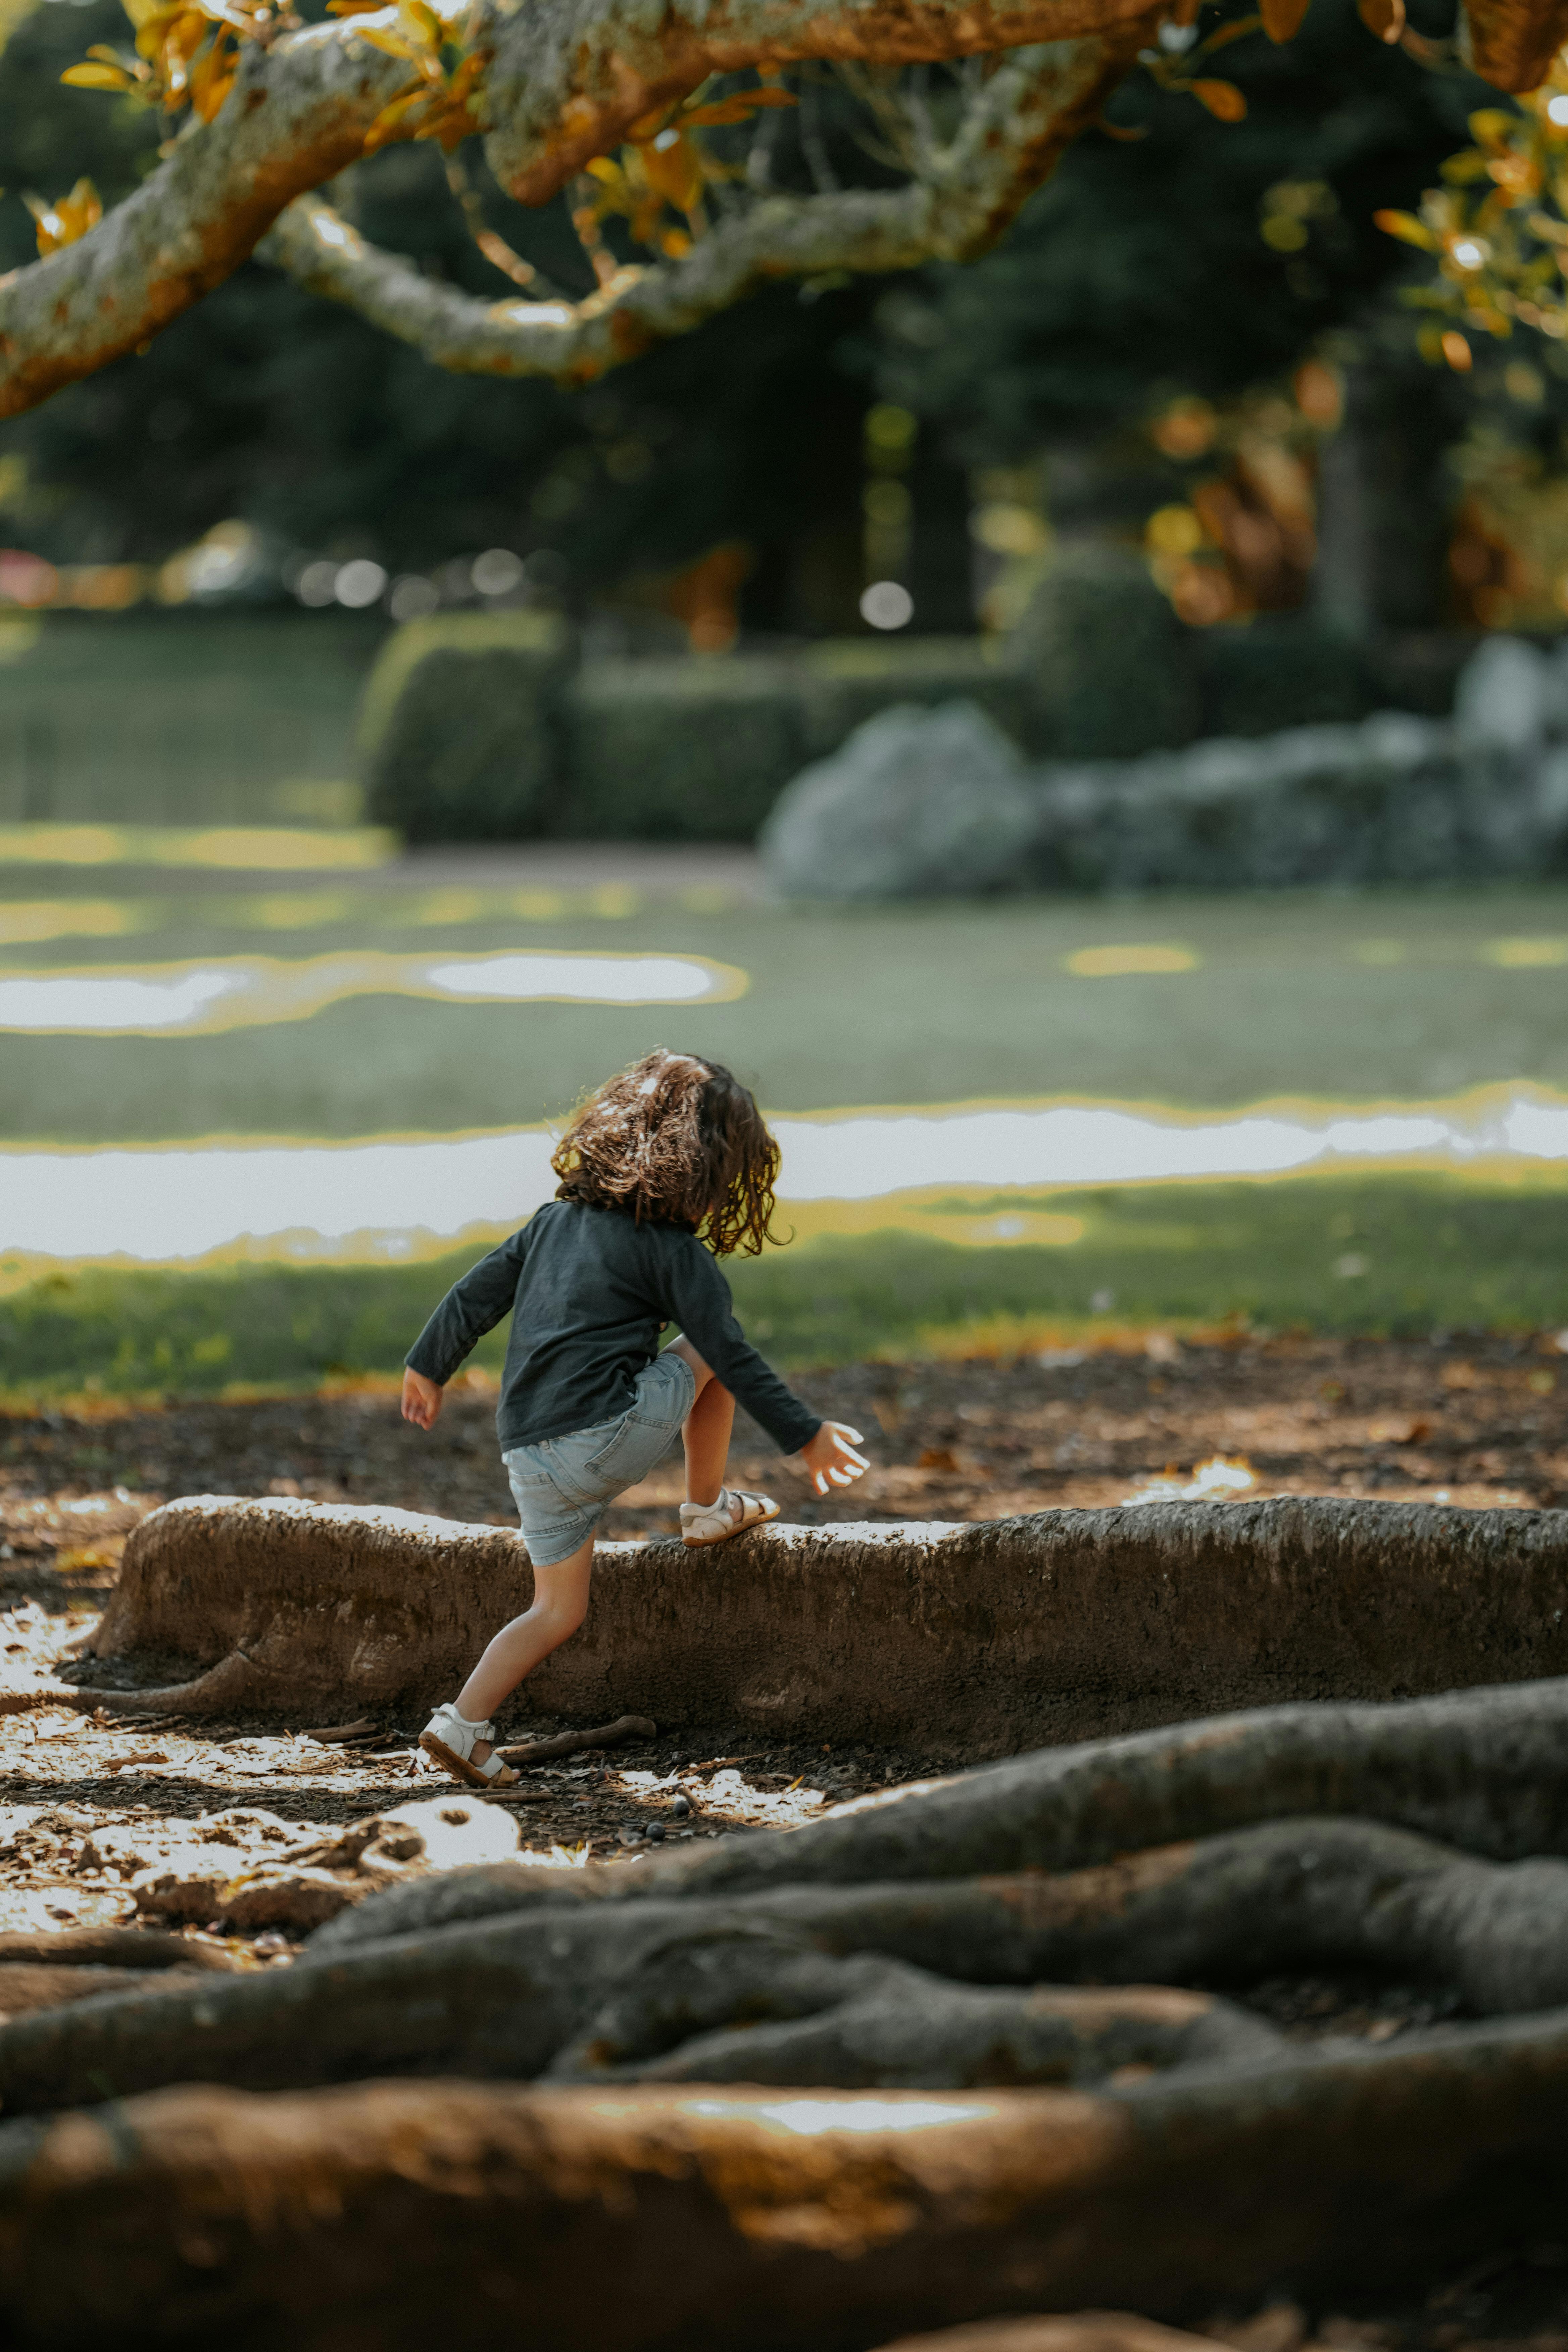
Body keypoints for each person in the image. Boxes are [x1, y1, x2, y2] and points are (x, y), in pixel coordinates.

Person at [400, 1047, 870, 1787]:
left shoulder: (551, 1222)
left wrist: (427, 1365)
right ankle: (706, 1507)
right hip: (601, 1437)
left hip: (528, 1456)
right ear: (709, 1171)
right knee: (705, 1350)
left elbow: (471, 1299)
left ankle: (461, 1725)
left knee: (555, 1612)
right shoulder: (671, 1250)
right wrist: (802, 1435)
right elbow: (732, 1356)